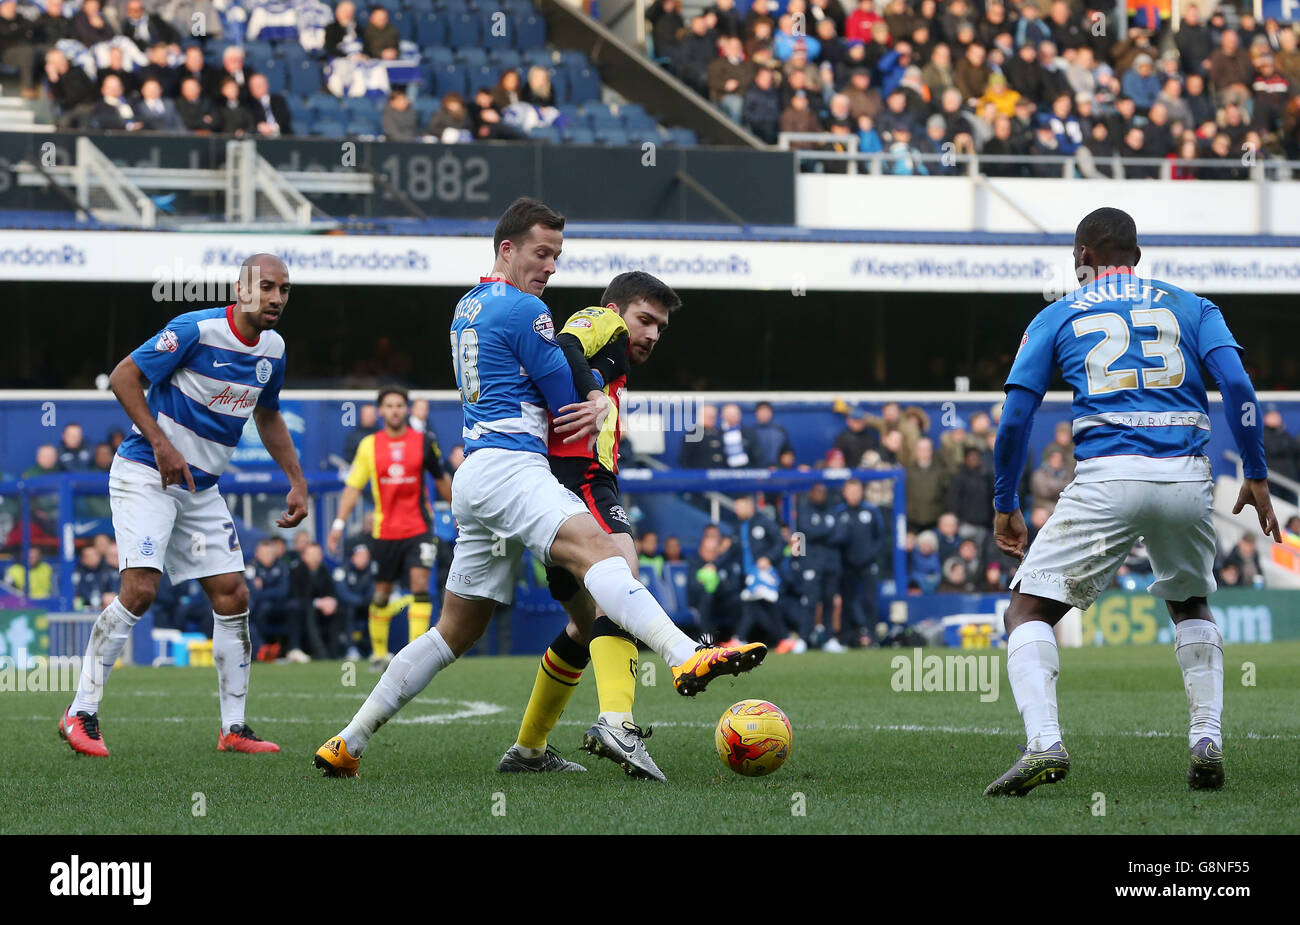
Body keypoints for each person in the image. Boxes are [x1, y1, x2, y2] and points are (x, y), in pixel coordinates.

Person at [314, 198, 766, 779]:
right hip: (512, 467)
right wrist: (597, 396)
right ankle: (686, 656)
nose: (551, 266)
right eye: (541, 253)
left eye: (556, 255)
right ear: (507, 249)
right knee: (606, 557)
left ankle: (349, 742)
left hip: (475, 476)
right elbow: (566, 396)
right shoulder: (526, 310)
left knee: (455, 630)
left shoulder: (467, 306)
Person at [986, 207, 1280, 796]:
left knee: (1026, 610)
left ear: (1085, 256)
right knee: (1191, 601)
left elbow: (1015, 415)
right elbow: (1241, 389)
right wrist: (1255, 471)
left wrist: (1005, 500)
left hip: (1106, 478)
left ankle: (1045, 745)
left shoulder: (1057, 314)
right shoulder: (1193, 306)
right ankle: (1206, 740)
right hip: (1186, 479)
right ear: (1136, 256)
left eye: (1075, 256)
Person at [59, 254, 307, 759]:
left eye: (284, 289)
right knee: (141, 589)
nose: (276, 298)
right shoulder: (194, 329)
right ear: (240, 289)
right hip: (146, 472)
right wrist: (160, 443)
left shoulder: (274, 350)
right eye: (265, 287)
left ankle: (233, 729)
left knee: (233, 594)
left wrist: (297, 481)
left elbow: (269, 414)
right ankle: (79, 712)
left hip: (201, 487)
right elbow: (124, 376)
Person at [502, 270, 682, 781]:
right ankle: (617, 723)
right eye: (645, 319)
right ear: (619, 310)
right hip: (582, 480)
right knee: (621, 577)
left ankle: (528, 749)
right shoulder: (604, 321)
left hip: (554, 492)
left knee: (585, 625)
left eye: (660, 327)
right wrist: (594, 393)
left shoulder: (614, 357)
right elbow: (566, 341)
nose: (650, 333)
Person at [329, 385, 451, 671]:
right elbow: (353, 487)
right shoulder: (369, 446)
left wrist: (457, 509)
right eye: (389, 406)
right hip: (384, 532)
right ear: (381, 411)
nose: (395, 410)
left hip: (419, 527)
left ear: (406, 410)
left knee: (420, 586)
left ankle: (413, 659)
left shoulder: (422, 441)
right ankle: (379, 654)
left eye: (399, 405)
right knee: (382, 593)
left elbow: (440, 476)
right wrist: (338, 524)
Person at [834, 477, 885, 648]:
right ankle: (845, 639)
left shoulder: (871, 511)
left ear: (861, 492)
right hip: (846, 565)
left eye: (857, 491)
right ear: (844, 493)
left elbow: (880, 537)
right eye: (850, 491)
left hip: (867, 564)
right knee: (847, 602)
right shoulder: (839, 512)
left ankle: (873, 638)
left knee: (870, 601)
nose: (854, 495)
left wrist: (870, 555)